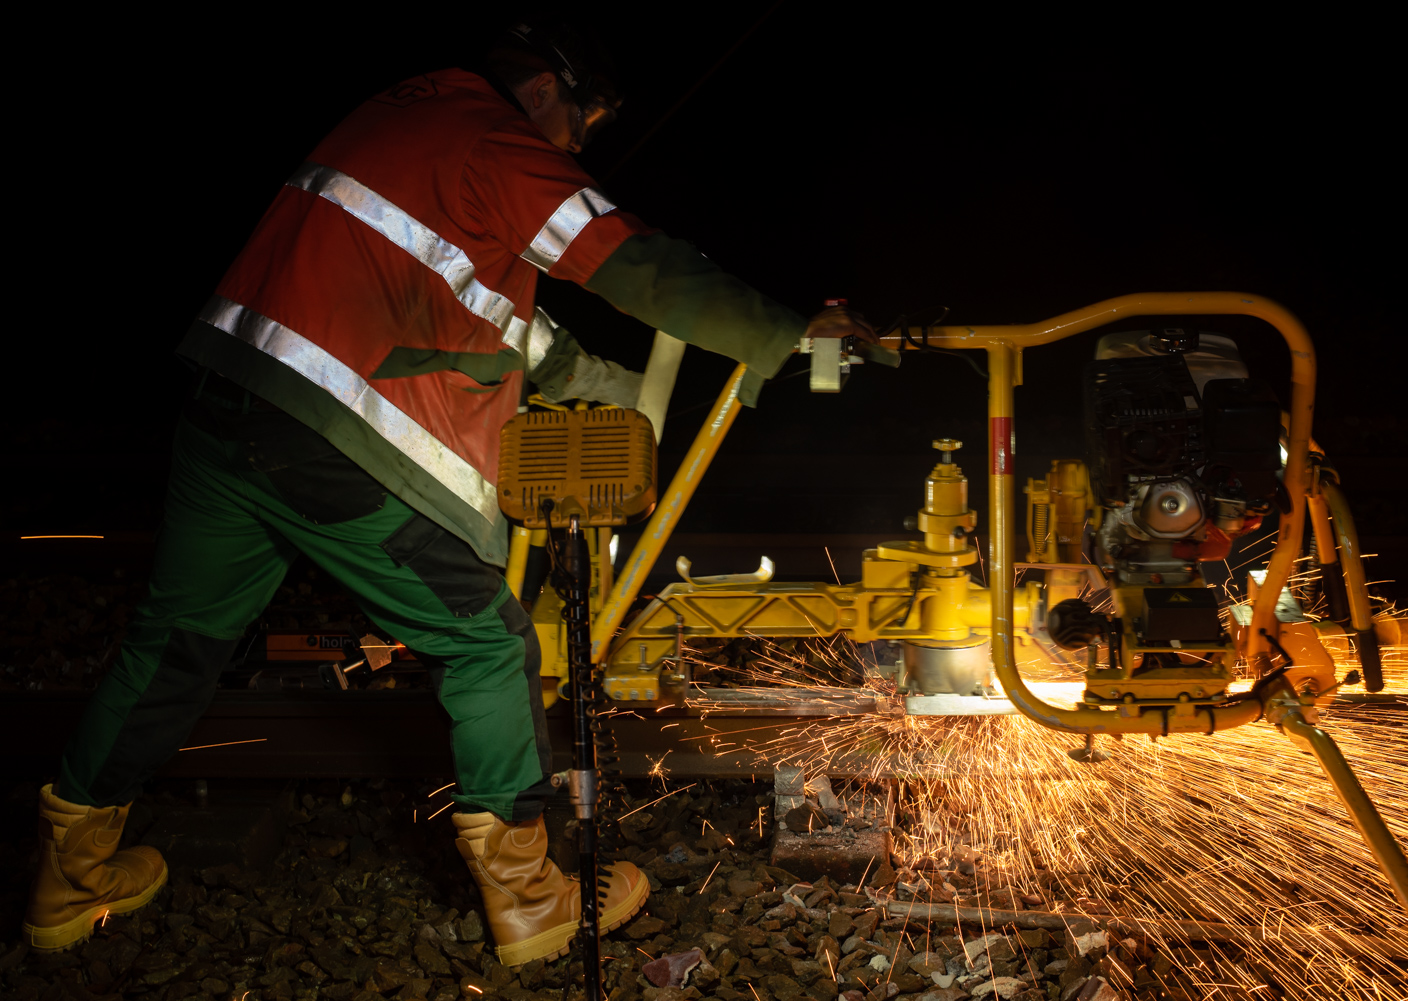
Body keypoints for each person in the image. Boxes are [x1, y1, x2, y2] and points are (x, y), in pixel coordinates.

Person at [22, 18, 874, 966]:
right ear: (546, 91)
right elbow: (637, 264)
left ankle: (70, 873)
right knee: (486, 640)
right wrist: (788, 333)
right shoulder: (494, 140)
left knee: (174, 642)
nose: (577, 146)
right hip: (330, 430)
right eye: (581, 124)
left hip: (230, 406)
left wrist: (613, 387)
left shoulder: (399, 121)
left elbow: (495, 323)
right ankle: (531, 901)